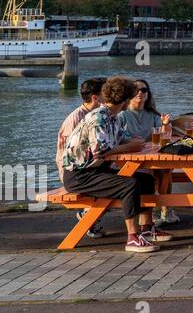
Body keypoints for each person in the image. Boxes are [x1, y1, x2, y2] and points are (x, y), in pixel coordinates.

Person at [60, 75, 170, 253]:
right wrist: (131, 146)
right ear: (125, 100)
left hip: (97, 171)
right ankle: (132, 238)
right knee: (129, 185)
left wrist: (135, 142)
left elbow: (124, 139)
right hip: (80, 176)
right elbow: (100, 151)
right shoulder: (99, 118)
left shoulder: (112, 117)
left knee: (146, 180)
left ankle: (147, 228)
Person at [120, 79, 181, 224]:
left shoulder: (153, 114)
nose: (140, 92)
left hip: (150, 157)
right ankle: (154, 209)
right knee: (159, 170)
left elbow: (165, 136)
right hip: (129, 158)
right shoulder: (121, 115)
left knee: (165, 169)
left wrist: (165, 125)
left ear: (148, 94)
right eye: (136, 90)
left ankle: (165, 208)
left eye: (144, 90)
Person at [56, 77, 106, 239]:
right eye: (106, 93)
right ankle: (87, 214)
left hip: (88, 169)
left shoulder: (96, 115)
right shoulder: (76, 119)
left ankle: (89, 215)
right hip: (74, 174)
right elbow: (72, 157)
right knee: (123, 181)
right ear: (95, 97)